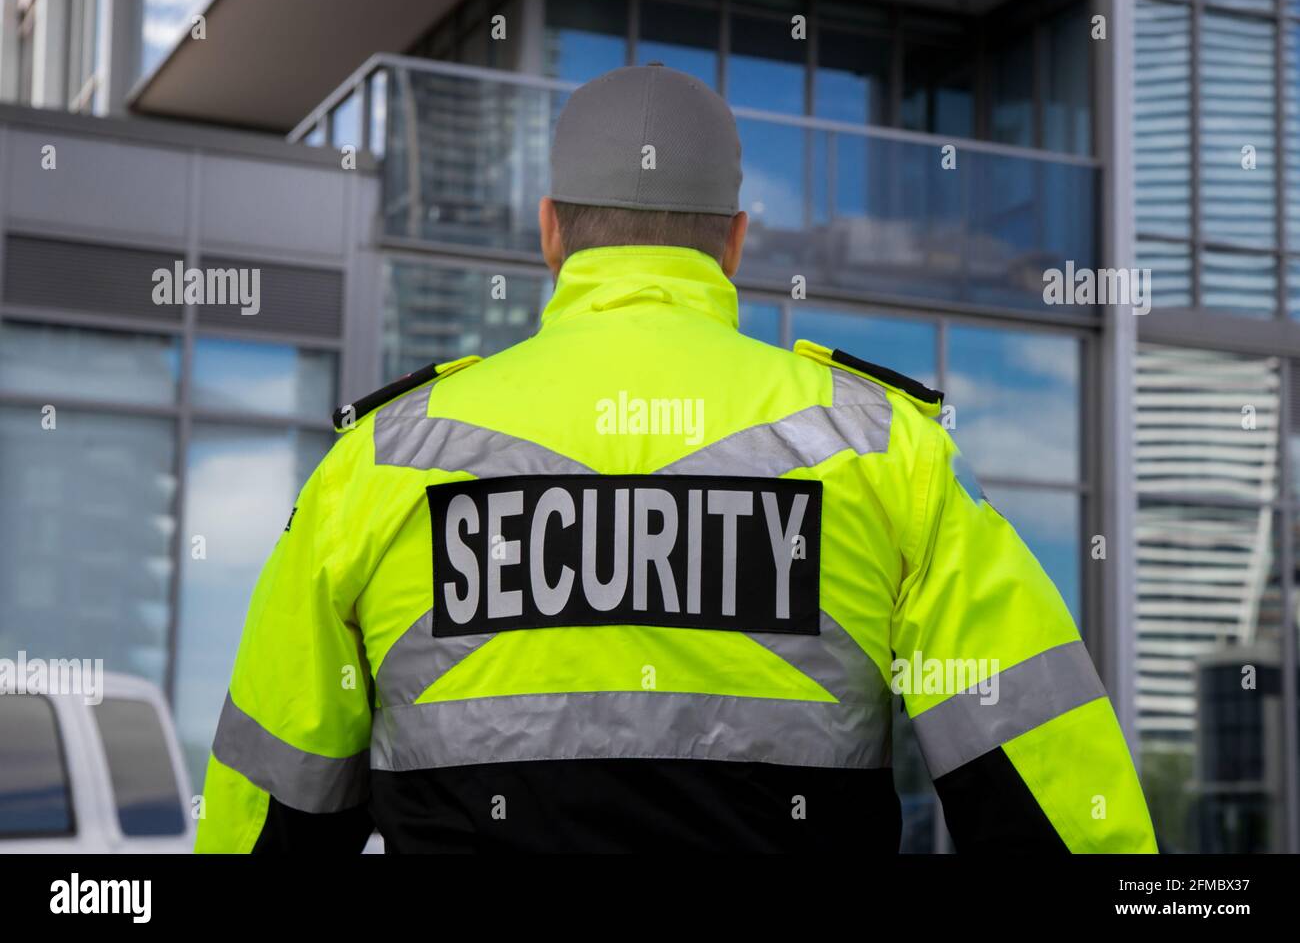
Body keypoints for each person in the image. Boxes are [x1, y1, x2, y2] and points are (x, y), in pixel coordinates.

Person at [196, 63, 1156, 853]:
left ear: (549, 233)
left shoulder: (379, 464)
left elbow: (269, 816)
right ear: (735, 242)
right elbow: (1055, 800)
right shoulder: (885, 449)